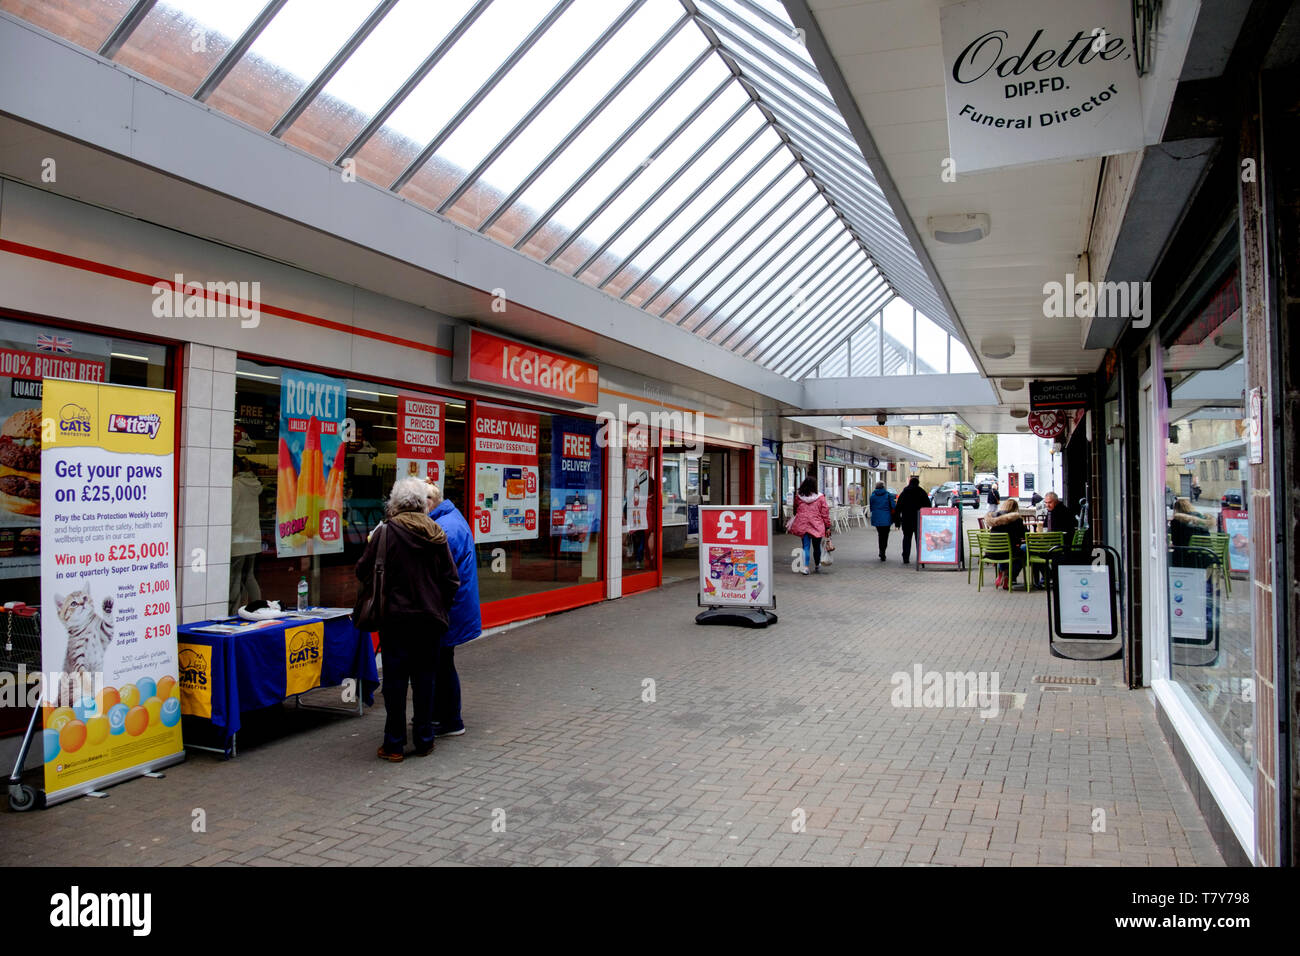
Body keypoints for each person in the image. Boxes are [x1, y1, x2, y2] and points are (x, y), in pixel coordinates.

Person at [357, 477, 460, 761]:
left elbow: (362, 569)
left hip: (395, 621)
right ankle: (424, 739)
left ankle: (394, 744)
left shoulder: (385, 532)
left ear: (395, 503)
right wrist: (439, 606)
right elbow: (452, 580)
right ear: (421, 504)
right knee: (425, 680)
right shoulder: (437, 532)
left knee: (395, 682)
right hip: (429, 621)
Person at [427, 483, 481, 738]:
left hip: (449, 610)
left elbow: (438, 573)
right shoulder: (450, 518)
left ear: (429, 502)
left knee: (442, 663)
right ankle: (445, 716)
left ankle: (450, 719)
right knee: (443, 662)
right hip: (454, 608)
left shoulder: (445, 528)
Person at [229, 456, 263, 614]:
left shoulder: (236, 484)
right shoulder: (255, 484)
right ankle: (258, 609)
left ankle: (232, 612)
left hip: (237, 538)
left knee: (235, 577)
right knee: (249, 576)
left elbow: (230, 511)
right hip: (253, 538)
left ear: (236, 467)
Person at [787, 477, 831, 574]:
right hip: (817, 524)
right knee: (816, 547)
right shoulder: (820, 497)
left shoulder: (799, 497)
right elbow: (825, 513)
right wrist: (827, 526)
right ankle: (817, 565)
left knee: (805, 546)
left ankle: (806, 567)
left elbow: (795, 508)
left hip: (803, 525)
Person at [986, 498, 1027, 588]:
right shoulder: (1016, 519)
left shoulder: (994, 518)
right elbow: (1024, 535)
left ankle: (1002, 572)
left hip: (991, 552)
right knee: (1024, 552)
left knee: (1005, 549)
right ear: (1015, 508)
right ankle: (1009, 576)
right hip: (1007, 552)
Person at [893, 475, 931, 565]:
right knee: (919, 539)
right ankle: (921, 558)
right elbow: (928, 507)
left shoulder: (904, 493)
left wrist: (897, 522)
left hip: (907, 520)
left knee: (906, 538)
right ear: (918, 483)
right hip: (919, 520)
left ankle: (905, 558)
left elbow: (898, 508)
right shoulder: (922, 492)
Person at [1169, 497, 1212, 566]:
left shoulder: (1177, 521)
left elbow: (1175, 542)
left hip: (1185, 558)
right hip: (1205, 557)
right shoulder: (1201, 519)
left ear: (1177, 509)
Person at [868, 481, 896, 562]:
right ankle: (883, 551)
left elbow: (871, 507)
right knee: (885, 535)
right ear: (883, 487)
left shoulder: (872, 496)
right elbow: (893, 506)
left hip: (877, 518)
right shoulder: (888, 495)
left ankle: (881, 550)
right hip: (887, 518)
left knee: (880, 535)